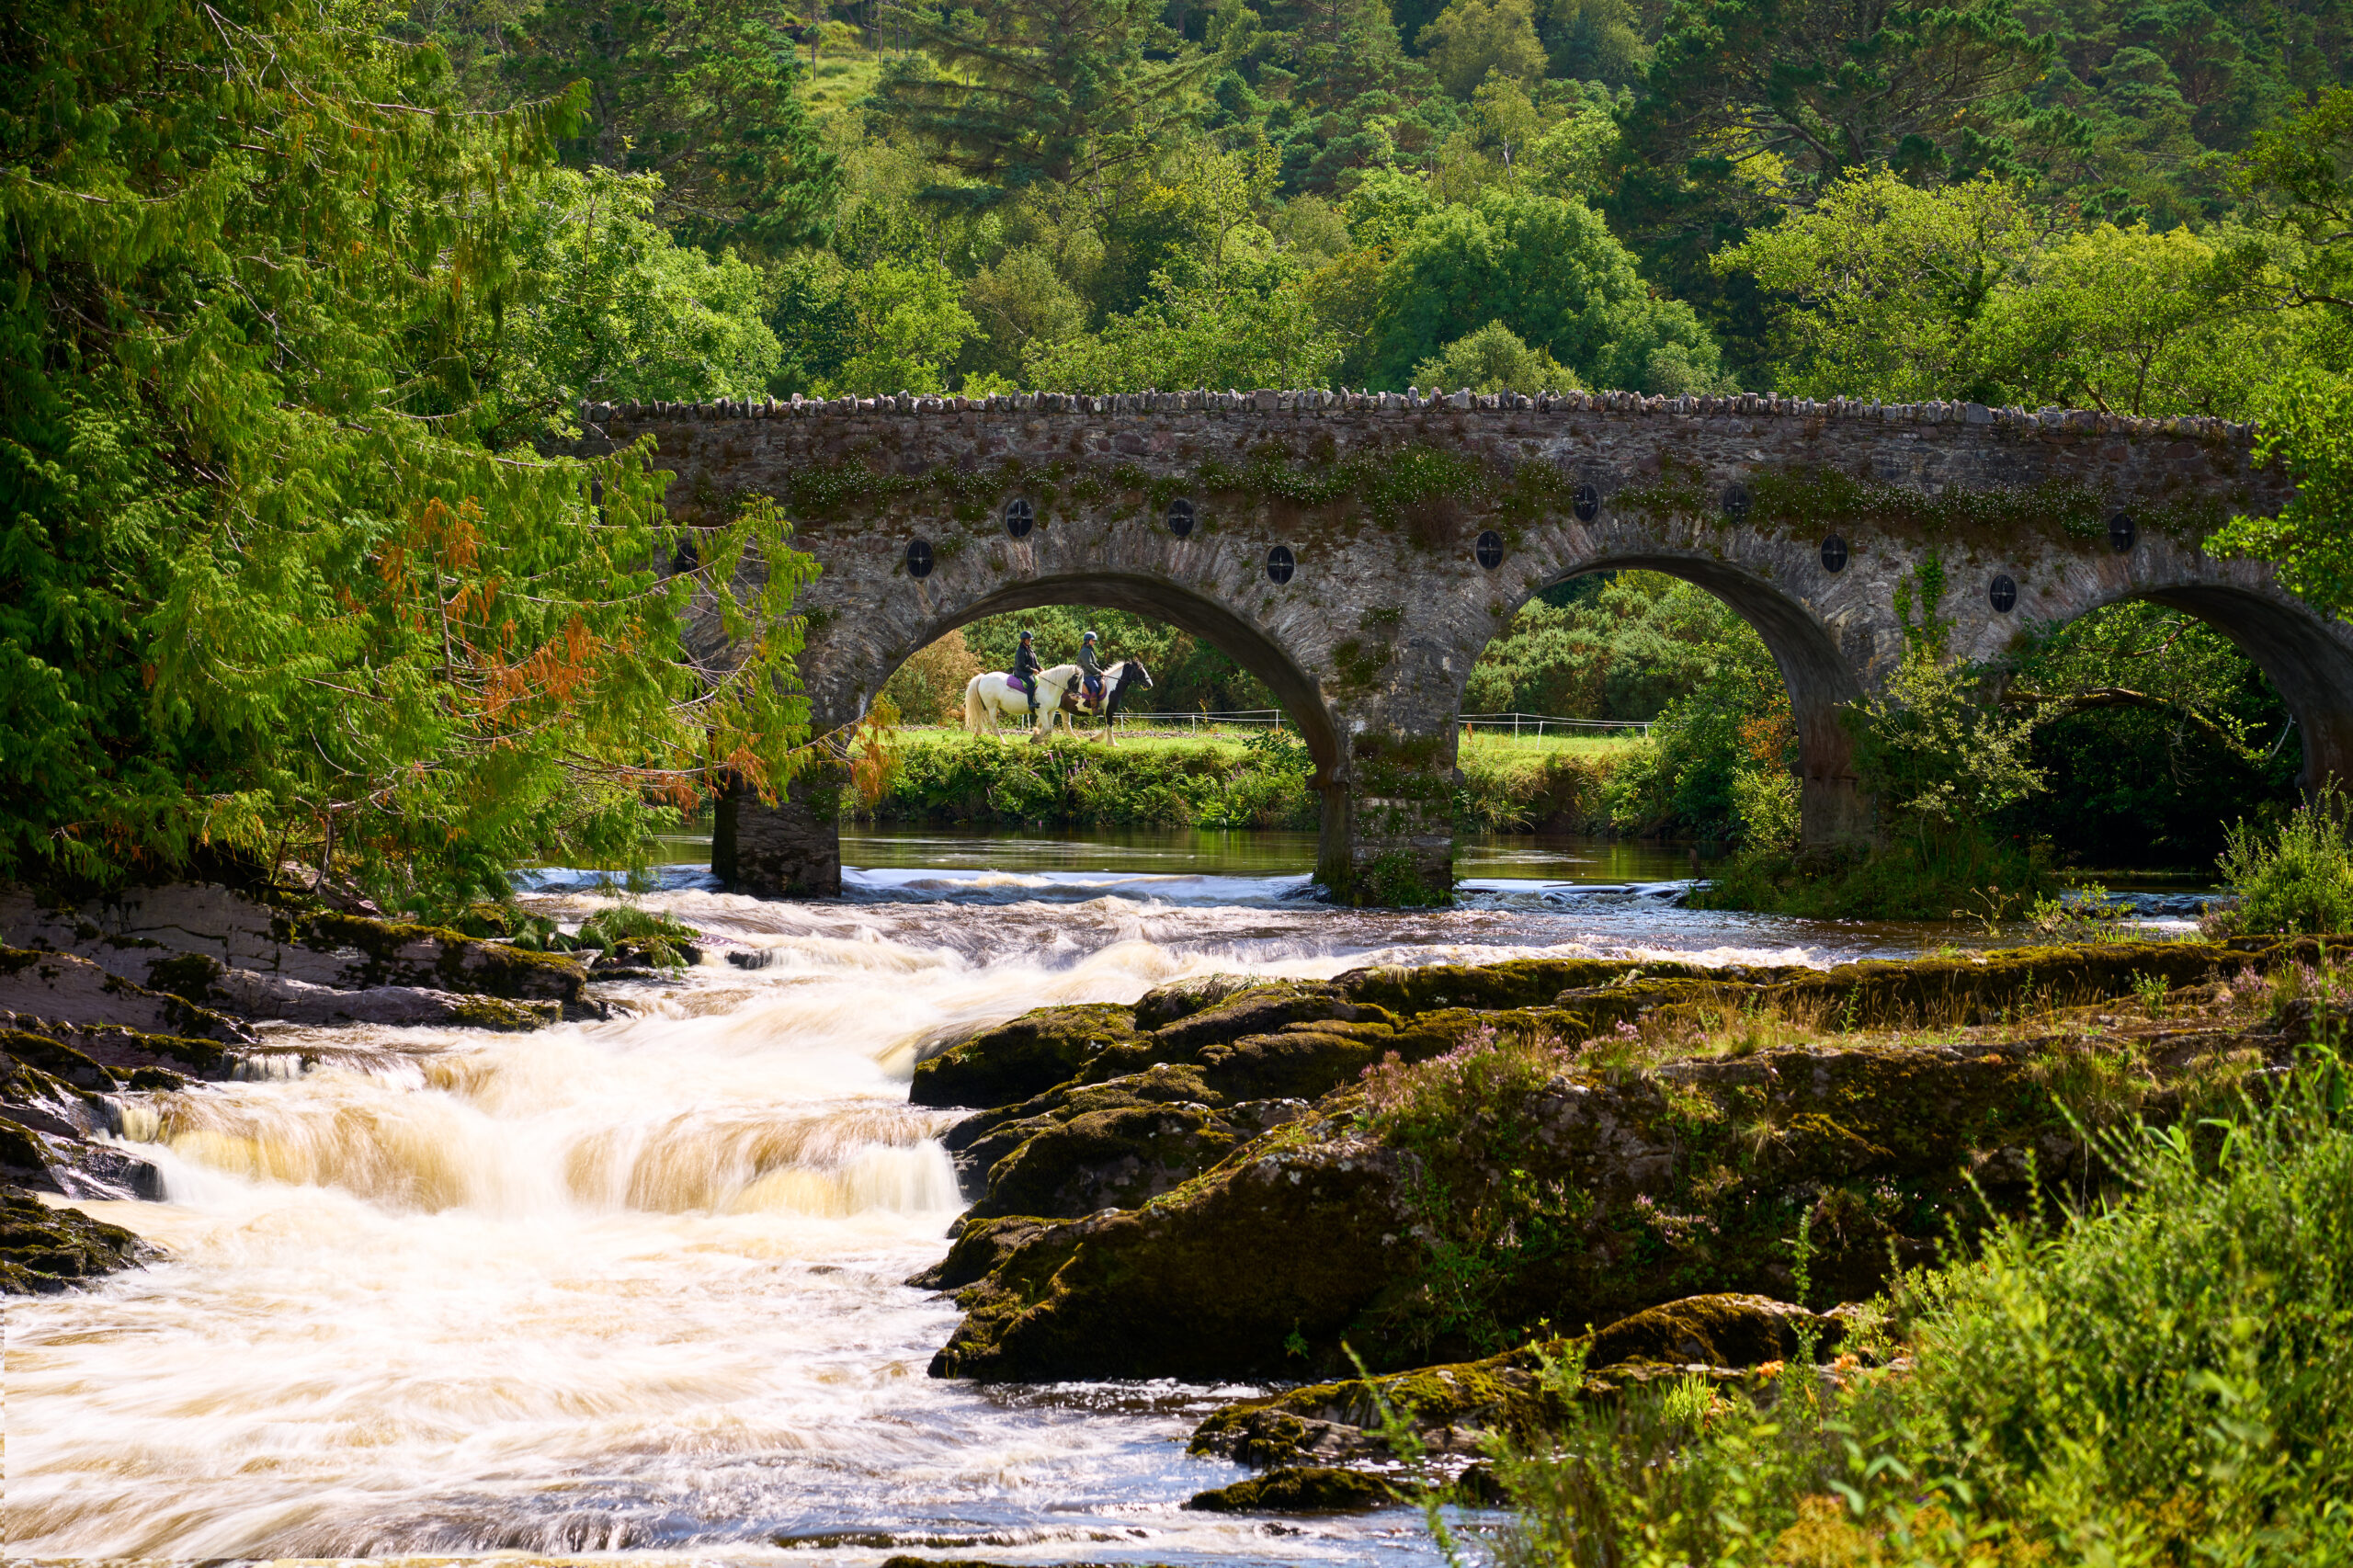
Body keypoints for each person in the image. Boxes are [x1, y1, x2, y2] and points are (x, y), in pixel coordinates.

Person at [1011, 630, 1041, 722]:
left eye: (1030, 639)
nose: (1030, 641)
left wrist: (1040, 668)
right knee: (1031, 681)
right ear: (1023, 640)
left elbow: (1034, 661)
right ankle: (1030, 703)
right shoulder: (1020, 650)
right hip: (1021, 671)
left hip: (1028, 671)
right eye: (1028, 639)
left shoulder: (1030, 649)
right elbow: (1021, 665)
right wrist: (1032, 670)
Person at [1075, 630, 1105, 712]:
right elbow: (1089, 665)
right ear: (1088, 640)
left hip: (1091, 673)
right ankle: (1094, 708)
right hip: (1086, 674)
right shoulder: (1085, 651)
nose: (1094, 642)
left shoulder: (1089, 649)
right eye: (1093, 640)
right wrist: (1099, 672)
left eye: (1094, 641)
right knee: (1095, 686)